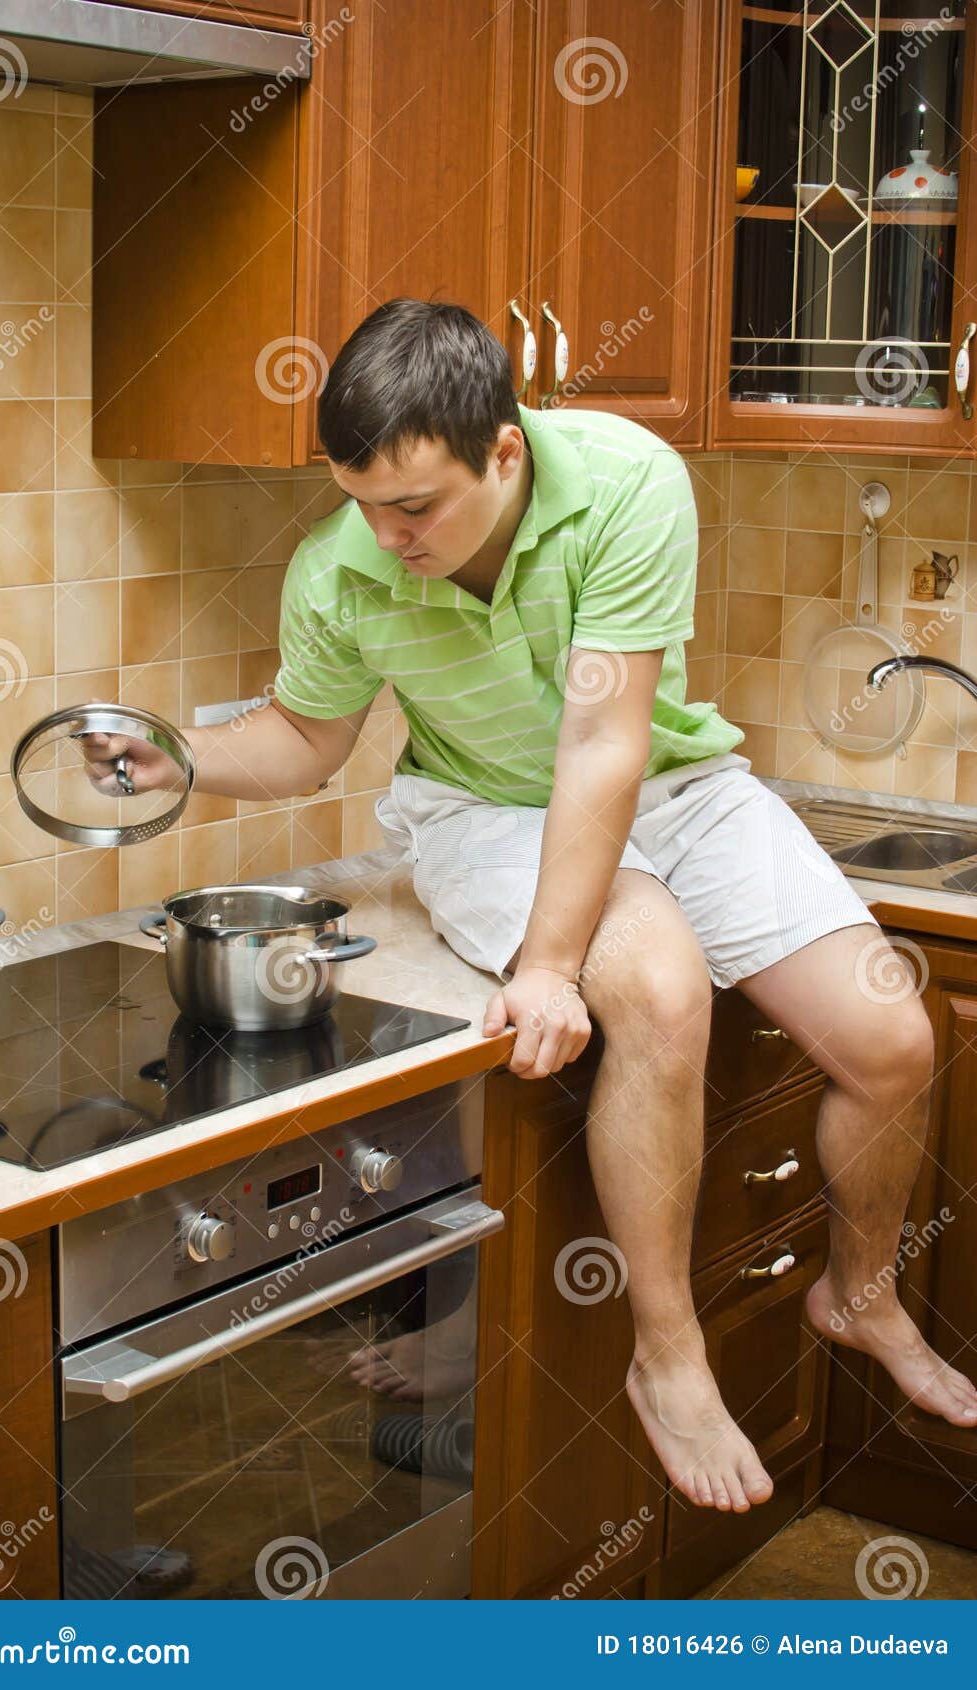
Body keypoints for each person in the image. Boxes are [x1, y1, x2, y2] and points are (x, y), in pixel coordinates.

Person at [86, 298, 977, 1515]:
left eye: (415, 506)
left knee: (894, 1038)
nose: (385, 536)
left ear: (505, 450)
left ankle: (861, 1293)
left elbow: (606, 743)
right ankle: (668, 1354)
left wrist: (548, 965)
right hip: (478, 810)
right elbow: (305, 739)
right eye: (360, 502)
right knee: (657, 982)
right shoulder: (341, 569)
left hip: (666, 779)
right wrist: (180, 757)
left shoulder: (626, 484)